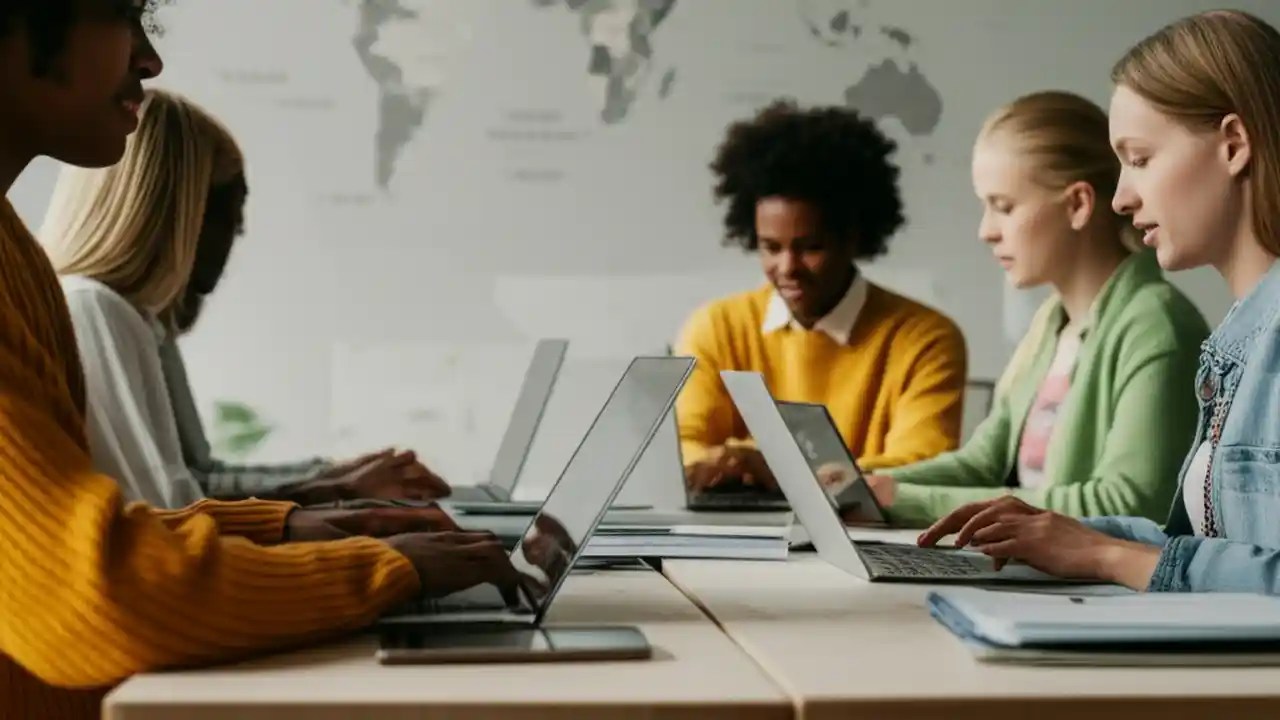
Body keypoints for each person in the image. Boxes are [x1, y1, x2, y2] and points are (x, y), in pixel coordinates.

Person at [0, 4, 516, 717]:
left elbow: (98, 536)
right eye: (123, 15)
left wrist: (287, 524)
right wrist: (386, 566)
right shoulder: (84, 299)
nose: (148, 61)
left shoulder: (16, 255)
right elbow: (89, 592)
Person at [920, 9, 1280, 594]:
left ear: (1234, 145)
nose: (1121, 198)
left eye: (1140, 159)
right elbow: (1213, 553)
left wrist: (1108, 556)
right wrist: (1058, 534)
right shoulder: (1238, 341)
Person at [40, 88, 451, 509]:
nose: (239, 233)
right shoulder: (94, 309)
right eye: (227, 212)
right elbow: (173, 511)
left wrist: (330, 476)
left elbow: (197, 479)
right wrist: (337, 493)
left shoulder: (137, 317)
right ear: (172, 212)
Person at [859, 91, 1208, 527]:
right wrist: (867, 484)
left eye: (1003, 207)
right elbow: (983, 463)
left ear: (1077, 205)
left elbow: (1130, 503)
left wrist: (906, 500)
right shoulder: (1052, 321)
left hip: (1099, 593)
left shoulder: (1157, 326)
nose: (986, 231)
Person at [678, 100, 967, 494]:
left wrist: (777, 468)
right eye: (770, 247)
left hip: (870, 542)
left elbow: (920, 465)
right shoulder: (716, 327)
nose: (787, 267)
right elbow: (683, 447)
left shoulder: (925, 338)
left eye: (810, 247)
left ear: (854, 237)